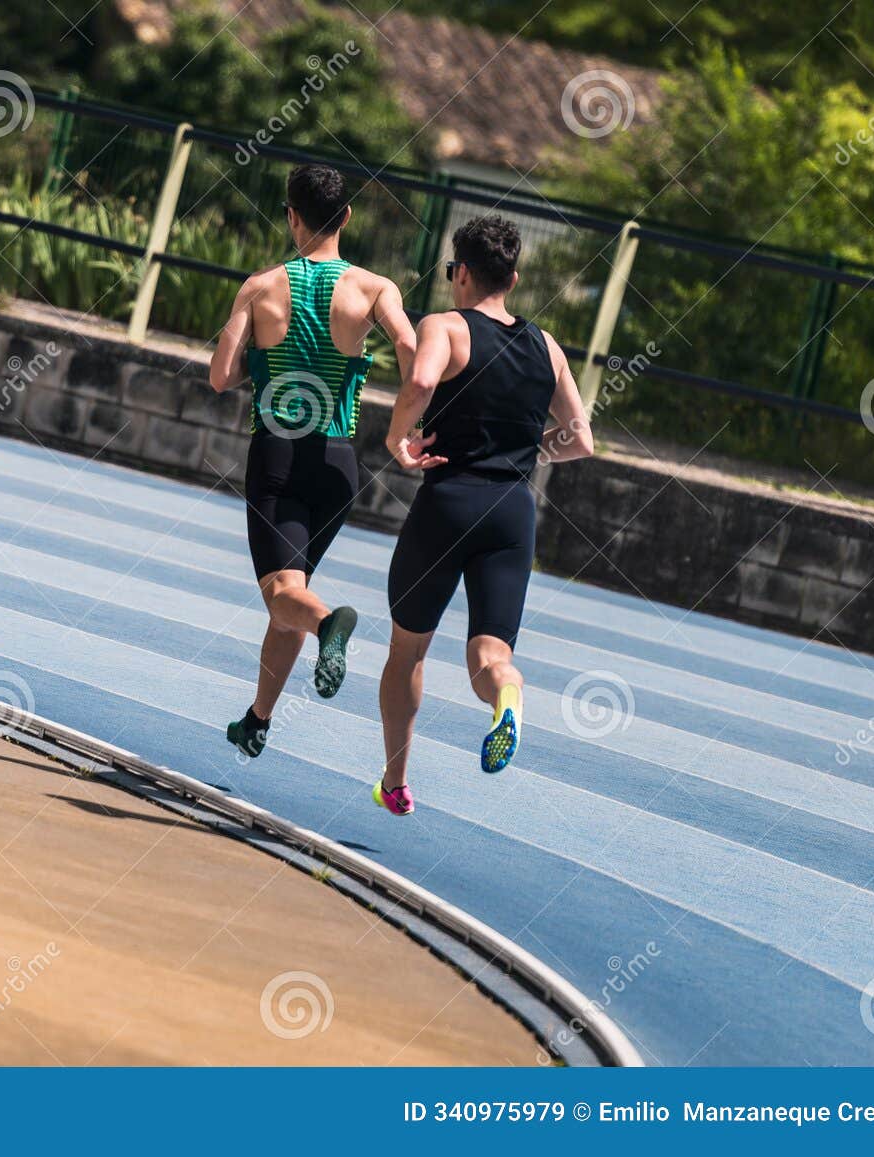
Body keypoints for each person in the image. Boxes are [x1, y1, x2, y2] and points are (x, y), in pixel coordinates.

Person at [374, 214, 594, 815]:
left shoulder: (444, 325)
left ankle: (395, 781)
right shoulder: (546, 345)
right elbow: (580, 440)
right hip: (511, 511)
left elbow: (421, 377)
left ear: (461, 272)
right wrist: (521, 451)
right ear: (515, 278)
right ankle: (508, 701)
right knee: (490, 658)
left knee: (408, 650)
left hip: (449, 499)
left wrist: (400, 438)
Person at [209, 164, 423, 759]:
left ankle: (331, 623)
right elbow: (410, 347)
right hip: (337, 465)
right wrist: (411, 423)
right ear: (347, 217)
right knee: (290, 594)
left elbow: (221, 377)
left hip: (277, 455)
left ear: (291, 216)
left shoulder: (260, 287)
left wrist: (250, 335)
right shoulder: (376, 289)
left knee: (284, 595)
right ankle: (257, 717)